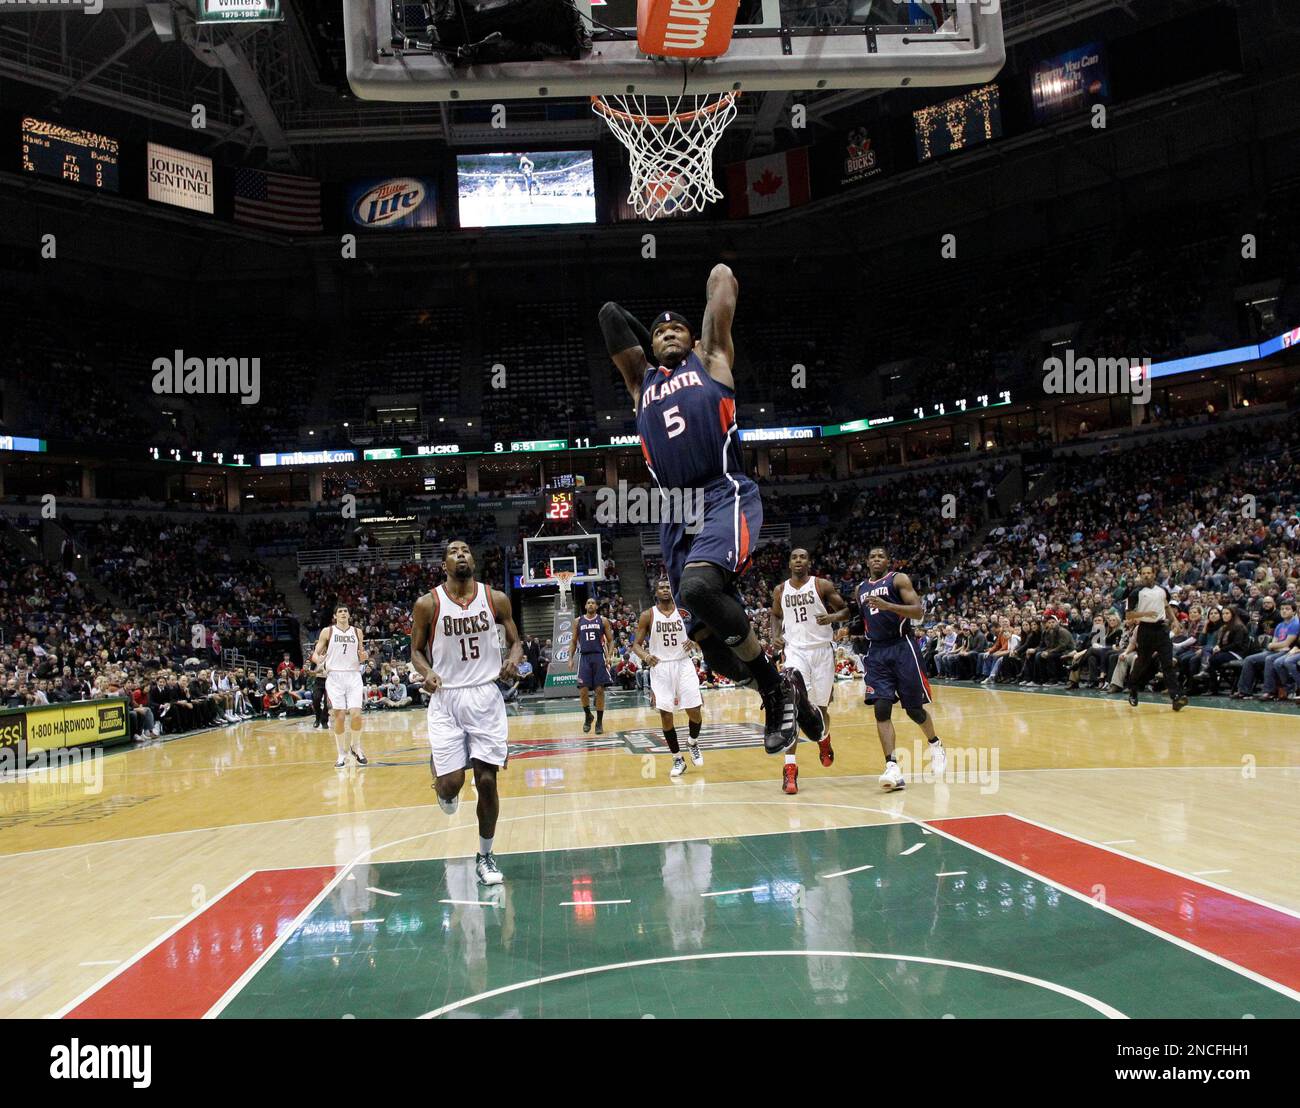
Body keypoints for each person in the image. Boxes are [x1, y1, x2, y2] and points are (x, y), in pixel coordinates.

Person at [599, 266, 811, 756]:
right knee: (714, 650)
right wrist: (641, 330)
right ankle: (786, 695)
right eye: (658, 331)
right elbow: (609, 316)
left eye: (676, 328)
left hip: (721, 492)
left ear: (694, 337)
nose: (667, 333)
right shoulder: (641, 383)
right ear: (649, 346)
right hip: (675, 512)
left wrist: (693, 338)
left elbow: (722, 276)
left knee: (695, 586)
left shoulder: (711, 358)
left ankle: (774, 689)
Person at [409, 540, 523, 887]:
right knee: (452, 784)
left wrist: (513, 660)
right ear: (444, 563)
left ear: (473, 559)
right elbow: (415, 651)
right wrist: (426, 672)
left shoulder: (496, 599)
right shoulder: (427, 604)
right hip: (446, 698)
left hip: (486, 697)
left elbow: (517, 642)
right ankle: (441, 781)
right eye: (454, 551)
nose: (461, 554)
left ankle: (485, 856)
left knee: (487, 781)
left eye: (466, 550)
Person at [825, 545, 946, 791]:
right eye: (872, 556)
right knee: (881, 707)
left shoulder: (897, 579)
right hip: (877, 652)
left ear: (887, 561)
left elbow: (918, 611)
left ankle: (935, 744)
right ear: (867, 561)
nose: (876, 558)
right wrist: (840, 624)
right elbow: (861, 618)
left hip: (903, 647)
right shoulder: (861, 589)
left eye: (881, 556)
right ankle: (892, 765)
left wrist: (888, 605)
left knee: (914, 710)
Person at [770, 548, 846, 795]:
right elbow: (774, 614)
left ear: (809, 561)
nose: (799, 560)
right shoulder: (780, 590)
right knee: (791, 709)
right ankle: (790, 770)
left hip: (822, 651)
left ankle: (823, 740)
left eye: (803, 557)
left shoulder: (822, 585)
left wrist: (833, 617)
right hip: (795, 653)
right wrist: (775, 635)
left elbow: (846, 610)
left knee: (820, 709)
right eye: (794, 557)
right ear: (789, 562)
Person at [633, 579, 704, 778]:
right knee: (666, 714)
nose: (665, 590)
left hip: (683, 663)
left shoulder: (684, 611)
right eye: (661, 587)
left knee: (695, 711)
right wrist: (646, 656)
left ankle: (692, 742)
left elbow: (701, 630)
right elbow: (636, 645)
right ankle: (677, 758)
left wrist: (694, 640)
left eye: (668, 587)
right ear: (655, 592)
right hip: (661, 666)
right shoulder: (648, 615)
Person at [311, 604, 370, 767]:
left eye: (345, 611)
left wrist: (364, 656)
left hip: (353, 675)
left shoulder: (357, 632)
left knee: (356, 715)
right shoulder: (327, 631)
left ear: (349, 615)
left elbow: (361, 654)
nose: (343, 613)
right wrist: (318, 660)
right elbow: (316, 653)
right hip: (335, 676)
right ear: (335, 616)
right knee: (340, 716)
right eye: (340, 612)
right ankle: (341, 754)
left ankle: (355, 747)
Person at [1124, 565, 1188, 710]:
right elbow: (1128, 616)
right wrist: (1145, 614)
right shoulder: (1135, 593)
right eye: (1143, 573)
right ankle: (1133, 687)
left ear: (1154, 574)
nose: (1146, 575)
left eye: (1149, 573)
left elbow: (1166, 606)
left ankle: (1176, 697)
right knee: (1142, 662)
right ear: (1140, 575)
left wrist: (1175, 621)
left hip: (1161, 630)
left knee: (1167, 664)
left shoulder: (1162, 590)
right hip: (1145, 630)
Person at [571, 598, 615, 735]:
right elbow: (573, 641)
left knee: (600, 691)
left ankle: (599, 722)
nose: (590, 604)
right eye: (588, 602)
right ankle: (588, 715)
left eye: (593, 603)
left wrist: (609, 656)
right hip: (584, 657)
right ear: (585, 605)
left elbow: (611, 640)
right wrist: (570, 658)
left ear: (596, 606)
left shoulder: (603, 620)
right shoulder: (578, 621)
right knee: (583, 690)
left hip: (598, 656)